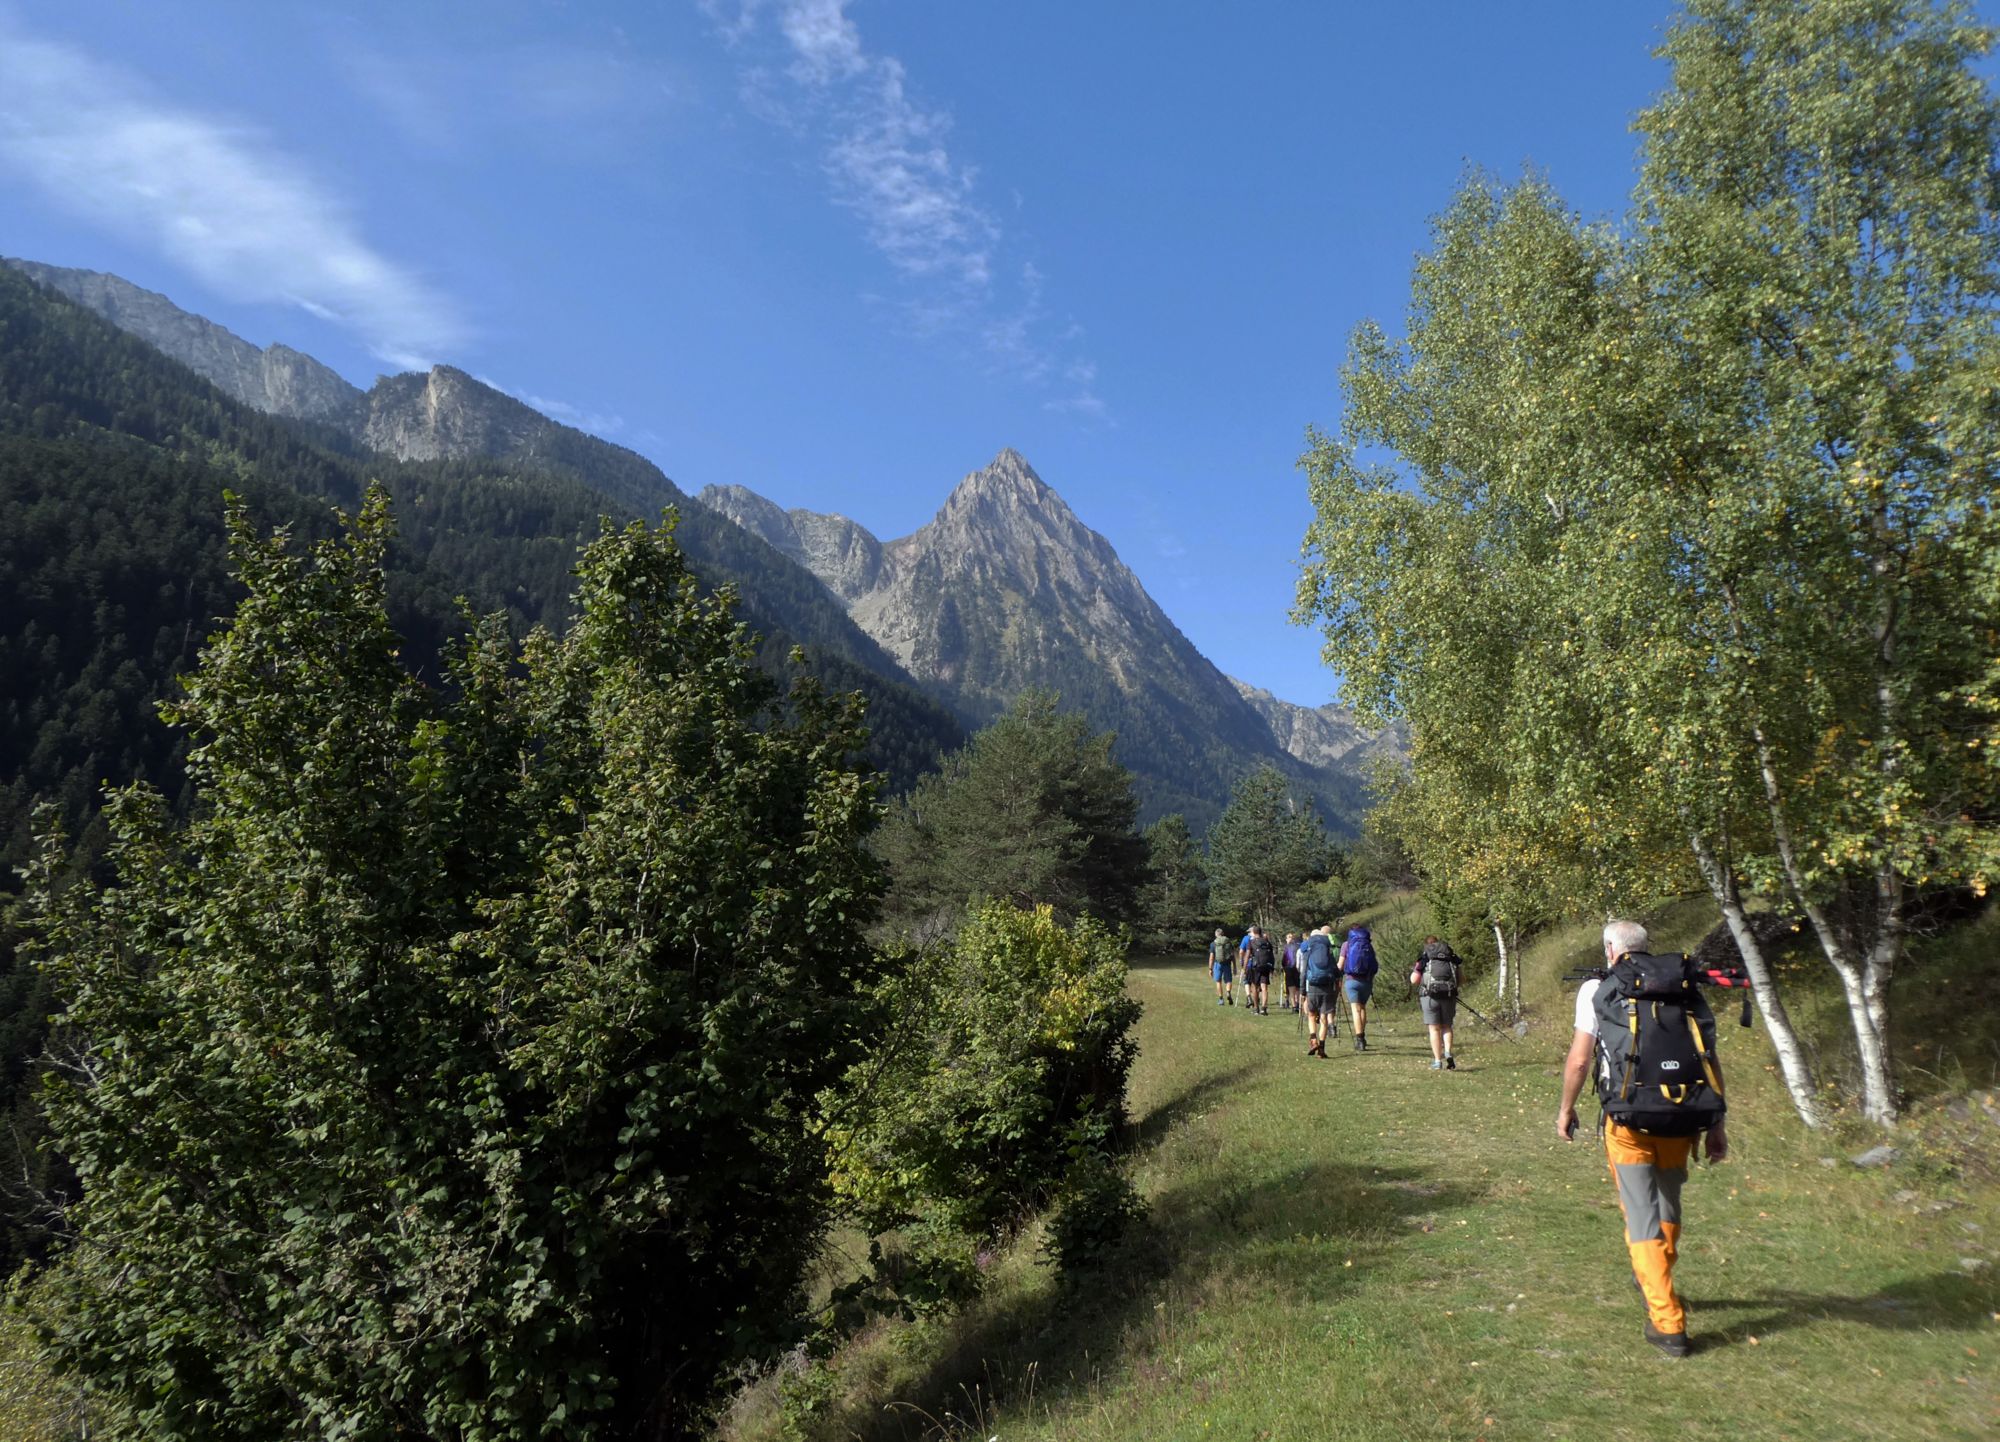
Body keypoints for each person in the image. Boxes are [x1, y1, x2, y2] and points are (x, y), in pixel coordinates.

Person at [1556, 919, 1728, 1360]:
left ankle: (1667, 1322)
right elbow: (1707, 1057)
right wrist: (1717, 1123)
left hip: (1629, 1120)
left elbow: (1579, 1061)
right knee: (1668, 1201)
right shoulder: (1682, 986)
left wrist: (1566, 1108)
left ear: (1611, 950)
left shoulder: (1599, 988)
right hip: (1685, 1114)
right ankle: (1656, 1275)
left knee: (1640, 1215)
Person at [1409, 935, 1461, 1070]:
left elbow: (1414, 980)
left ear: (1426, 945)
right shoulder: (1450, 956)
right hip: (1449, 995)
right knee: (1447, 1026)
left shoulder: (1425, 957)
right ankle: (1448, 1051)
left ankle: (1438, 1061)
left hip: (1429, 997)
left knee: (1434, 1029)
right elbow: (1461, 979)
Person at [1298, 924, 1340, 1058]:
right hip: (1327, 986)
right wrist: (1338, 979)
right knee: (1323, 1017)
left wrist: (1302, 991)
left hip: (1313, 986)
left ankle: (1313, 1040)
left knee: (1311, 1014)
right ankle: (1321, 1049)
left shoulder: (1309, 950)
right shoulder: (1328, 949)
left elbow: (1304, 972)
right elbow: (1336, 970)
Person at [1340, 924, 1378, 1052]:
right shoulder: (1368, 944)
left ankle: (1359, 1039)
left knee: (1355, 1010)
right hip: (1366, 981)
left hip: (1352, 980)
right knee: (1362, 1008)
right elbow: (1373, 964)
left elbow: (1340, 965)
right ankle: (1363, 1036)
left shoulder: (1347, 945)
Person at [1249, 927, 1277, 1014]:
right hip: (1266, 966)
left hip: (1256, 967)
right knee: (1264, 987)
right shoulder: (1267, 942)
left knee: (1255, 987)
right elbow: (1272, 956)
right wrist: (1272, 968)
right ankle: (1264, 1008)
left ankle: (1256, 1008)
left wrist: (1244, 966)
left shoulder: (1252, 942)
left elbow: (1247, 954)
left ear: (1253, 932)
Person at [1208, 928, 1235, 1007]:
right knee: (1228, 980)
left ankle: (1221, 999)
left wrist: (1210, 969)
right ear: (1223, 934)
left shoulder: (1213, 944)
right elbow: (1232, 955)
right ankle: (1228, 992)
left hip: (1218, 964)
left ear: (1216, 934)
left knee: (1218, 981)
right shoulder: (1229, 942)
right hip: (1227, 963)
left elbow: (1211, 957)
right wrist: (1235, 966)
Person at [1280, 932, 1301, 1011]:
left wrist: (1283, 966)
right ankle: (1298, 1003)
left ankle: (1294, 1006)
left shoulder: (1286, 947)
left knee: (1291, 987)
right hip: (1297, 968)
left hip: (1289, 968)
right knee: (1298, 987)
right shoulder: (1299, 946)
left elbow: (1284, 958)